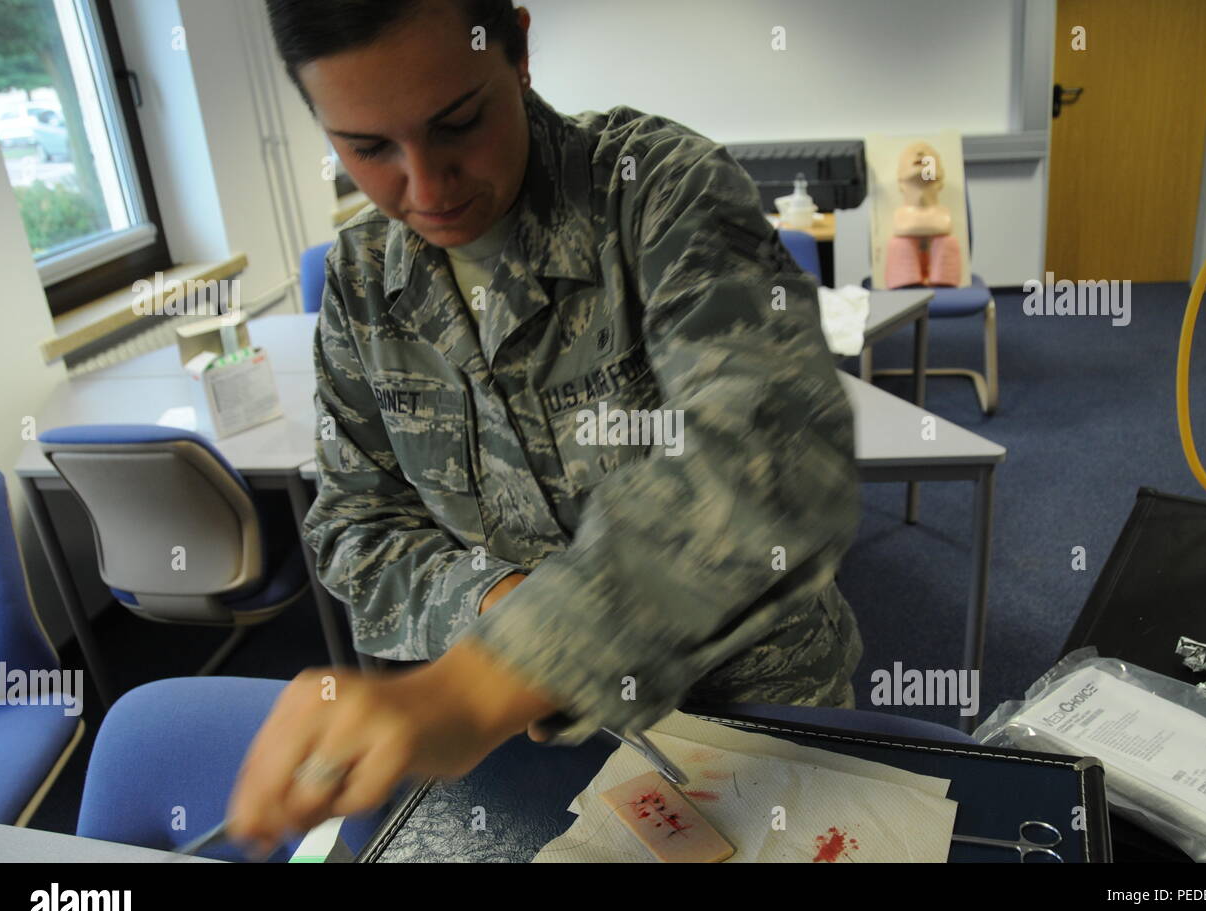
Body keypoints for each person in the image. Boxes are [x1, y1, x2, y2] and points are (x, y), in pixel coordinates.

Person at [228, 0, 863, 856]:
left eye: (459, 122)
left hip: (755, 712)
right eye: (368, 149)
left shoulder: (658, 190)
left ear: (518, 48)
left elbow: (774, 458)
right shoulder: (362, 279)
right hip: (532, 758)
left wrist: (499, 671)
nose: (426, 186)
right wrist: (491, 605)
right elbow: (355, 525)